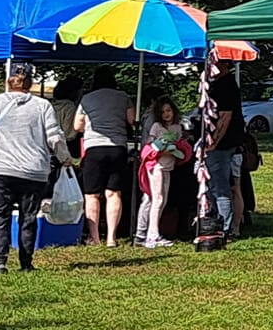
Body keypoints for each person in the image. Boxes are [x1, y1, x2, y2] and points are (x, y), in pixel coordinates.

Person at [0, 68, 72, 274]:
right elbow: (55, 137)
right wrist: (65, 159)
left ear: (8, 82)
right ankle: (26, 262)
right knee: (29, 216)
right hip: (33, 169)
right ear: (29, 83)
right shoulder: (42, 106)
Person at [75, 66, 136, 247]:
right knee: (113, 193)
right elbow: (132, 120)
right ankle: (111, 237)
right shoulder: (123, 97)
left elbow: (77, 126)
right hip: (118, 147)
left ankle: (94, 238)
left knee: (92, 194)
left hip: (94, 148)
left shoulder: (87, 99)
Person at [138, 96, 191, 249]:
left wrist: (178, 150)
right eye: (163, 112)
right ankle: (152, 235)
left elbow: (181, 146)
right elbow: (150, 146)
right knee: (157, 199)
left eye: (168, 111)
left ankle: (152, 232)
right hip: (156, 166)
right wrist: (159, 148)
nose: (166, 114)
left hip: (168, 166)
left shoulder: (177, 128)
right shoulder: (156, 127)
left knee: (163, 200)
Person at [198, 68, 244, 238]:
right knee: (229, 187)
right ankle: (228, 225)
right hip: (231, 145)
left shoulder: (225, 85)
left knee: (220, 188)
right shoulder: (219, 84)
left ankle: (224, 228)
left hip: (223, 146)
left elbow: (225, 117)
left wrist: (213, 143)